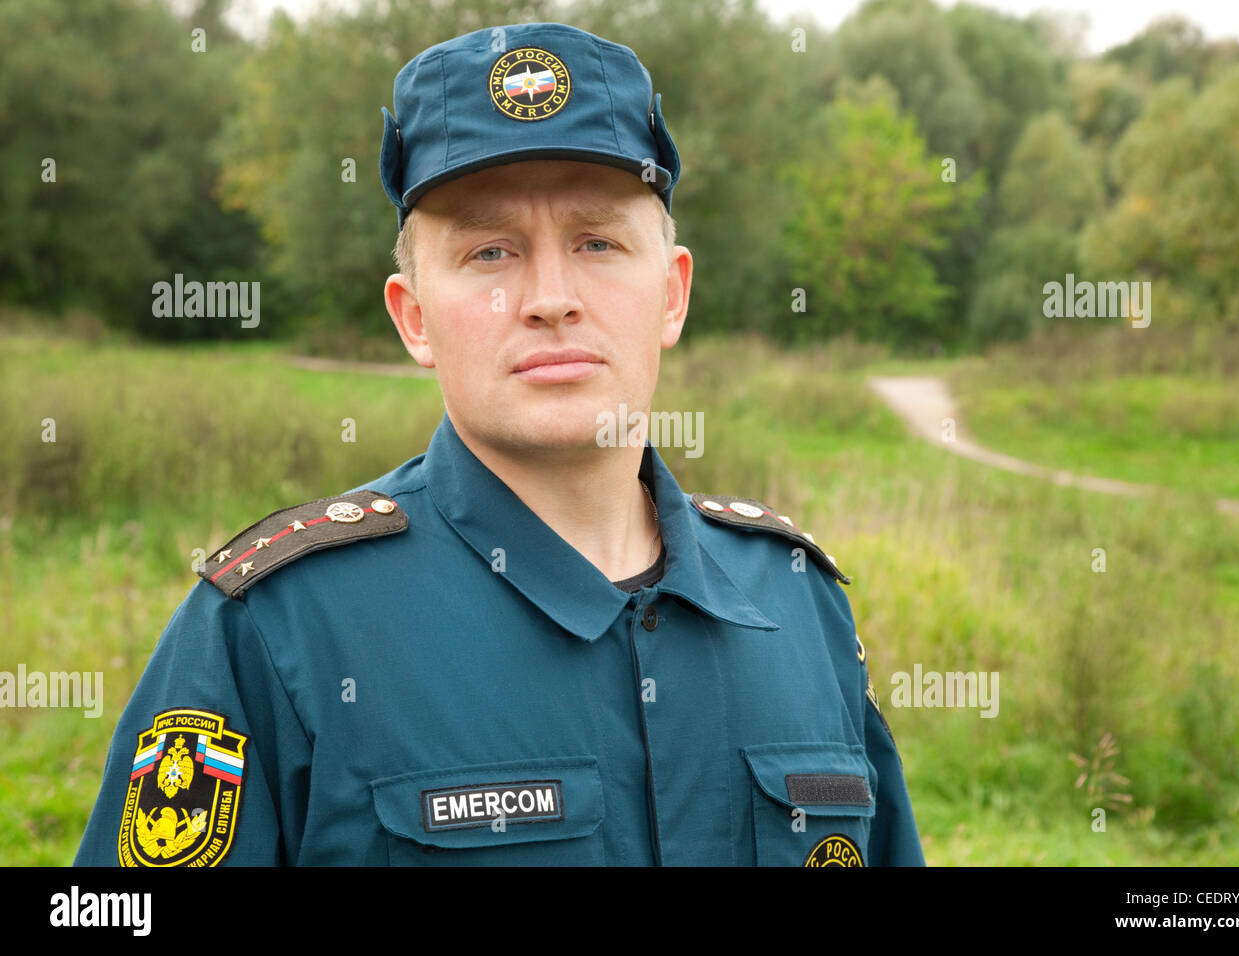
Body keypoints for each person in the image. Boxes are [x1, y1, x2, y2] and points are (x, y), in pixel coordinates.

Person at [74, 21, 924, 867]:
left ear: (671, 293)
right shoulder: (278, 630)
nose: (550, 298)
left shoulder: (796, 600)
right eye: (489, 251)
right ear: (414, 317)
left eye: (597, 242)